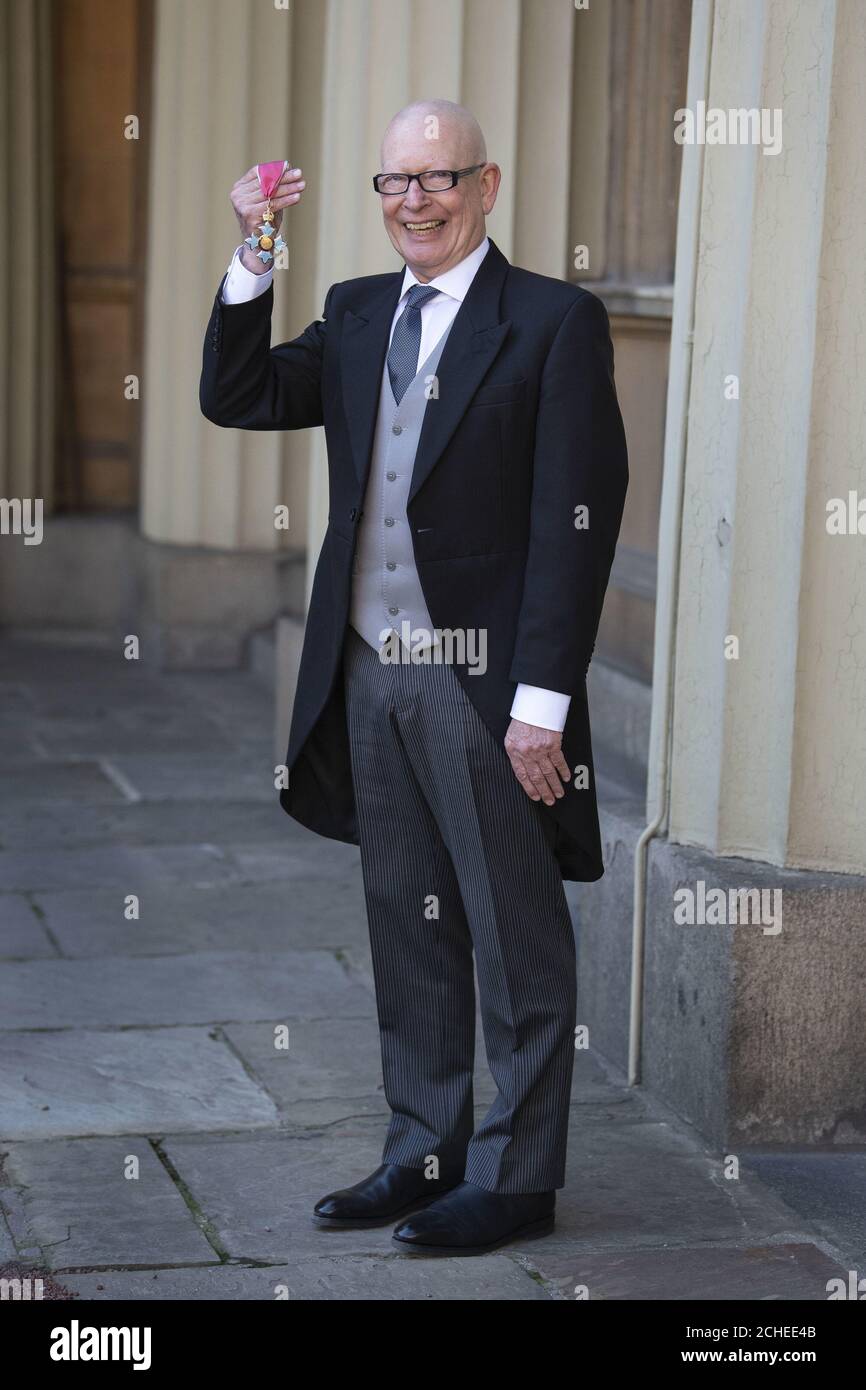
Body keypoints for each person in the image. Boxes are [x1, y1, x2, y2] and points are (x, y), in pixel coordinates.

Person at [200, 99, 628, 1257]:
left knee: (513, 930)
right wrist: (254, 252)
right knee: (408, 919)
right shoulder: (350, 313)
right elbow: (237, 397)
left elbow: (572, 523)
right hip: (369, 666)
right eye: (395, 183)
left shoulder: (550, 321)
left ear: (485, 187)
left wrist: (543, 699)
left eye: (438, 178)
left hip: (483, 684)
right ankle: (422, 1151)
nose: (415, 201)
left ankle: (514, 1174)